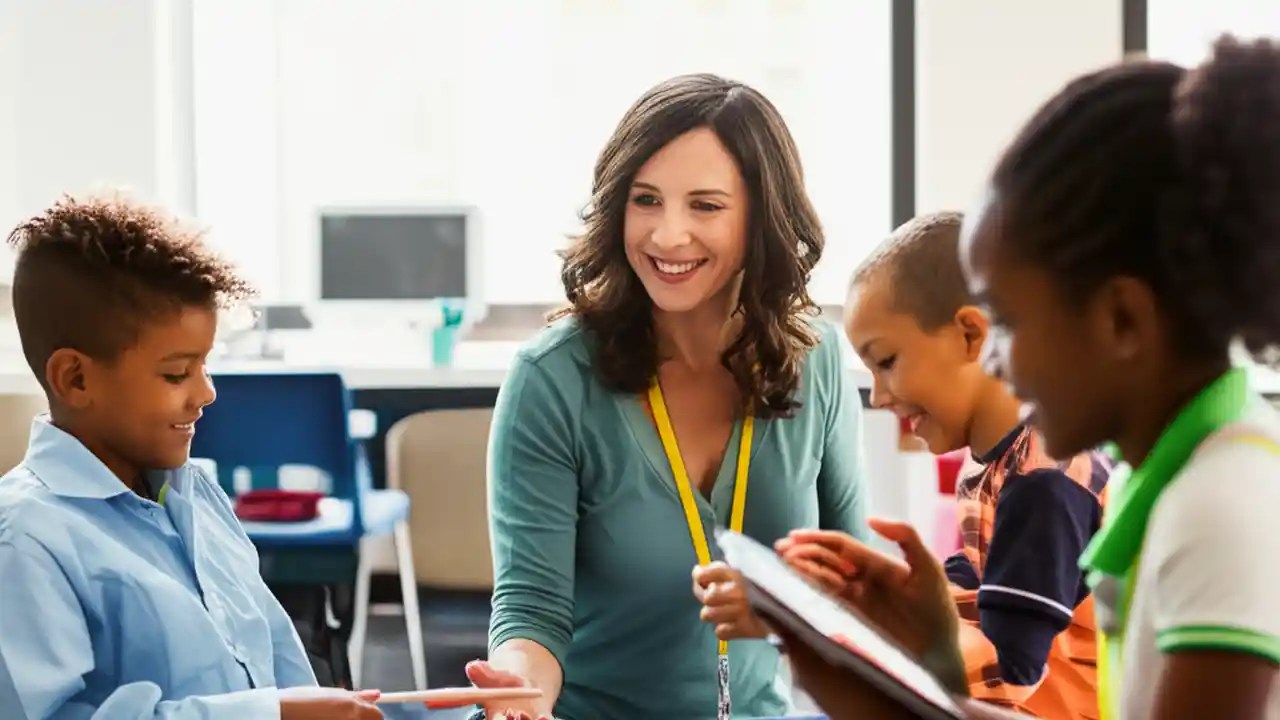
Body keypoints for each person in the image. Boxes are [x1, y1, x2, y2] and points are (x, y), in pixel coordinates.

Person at [773, 35, 1280, 720]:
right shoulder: (1166, 478)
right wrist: (918, 663)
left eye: (1008, 321)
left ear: (1121, 319)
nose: (998, 360)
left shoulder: (1217, 503)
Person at [466, 73, 869, 720]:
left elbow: (859, 588)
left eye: (705, 206)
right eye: (645, 200)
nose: (666, 235)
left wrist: (782, 609)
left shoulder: (816, 361)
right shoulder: (552, 377)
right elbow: (531, 612)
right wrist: (517, 693)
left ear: (761, 215)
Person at [0, 195, 383, 719]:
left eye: (205, 366)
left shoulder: (195, 491)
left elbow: (280, 667)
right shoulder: (24, 539)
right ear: (76, 378)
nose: (205, 394)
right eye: (176, 373)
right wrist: (270, 715)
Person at [826, 210, 1108, 718]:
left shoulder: (1044, 481)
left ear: (969, 336)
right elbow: (973, 584)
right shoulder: (992, 463)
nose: (881, 395)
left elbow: (1008, 668)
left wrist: (874, 652)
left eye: (887, 362)